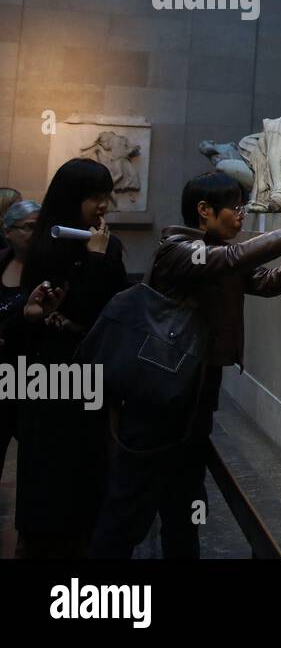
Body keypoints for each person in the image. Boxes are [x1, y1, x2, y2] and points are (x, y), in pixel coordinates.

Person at [91, 171, 281, 559]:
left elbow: (265, 282)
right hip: (159, 394)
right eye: (236, 208)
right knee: (130, 502)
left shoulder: (220, 250)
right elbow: (232, 259)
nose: (241, 216)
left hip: (198, 387)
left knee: (185, 496)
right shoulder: (177, 248)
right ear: (204, 211)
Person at [17, 159, 126, 558]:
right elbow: (45, 312)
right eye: (94, 197)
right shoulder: (47, 243)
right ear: (72, 198)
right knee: (45, 464)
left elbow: (106, 309)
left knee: (87, 462)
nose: (103, 206)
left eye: (106, 196)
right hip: (49, 373)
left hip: (91, 372)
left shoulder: (107, 245)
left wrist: (98, 258)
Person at [0, 199, 40, 483]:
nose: (35, 233)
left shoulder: (47, 268)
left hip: (34, 376)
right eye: (28, 227)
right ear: (8, 231)